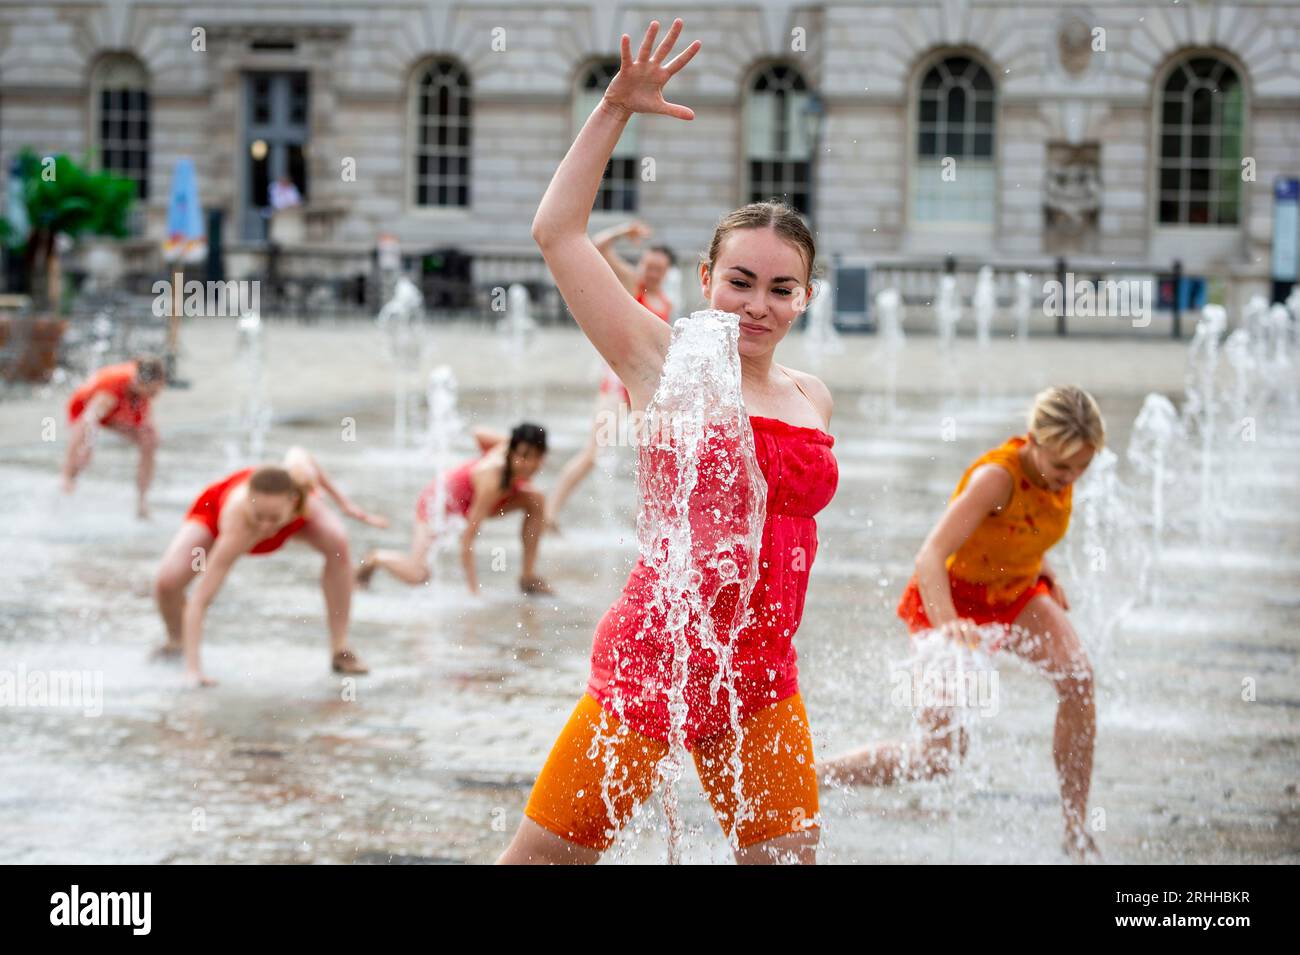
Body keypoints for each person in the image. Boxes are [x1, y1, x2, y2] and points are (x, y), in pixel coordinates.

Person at [499, 19, 839, 865]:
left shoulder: (811, 396)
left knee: (787, 861)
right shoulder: (664, 364)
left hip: (759, 674)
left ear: (804, 296)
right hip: (657, 655)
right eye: (740, 281)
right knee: (545, 862)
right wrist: (615, 106)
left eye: (780, 288)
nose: (757, 304)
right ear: (705, 280)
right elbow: (559, 233)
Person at [819, 385, 1106, 863]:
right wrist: (949, 625)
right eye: (1061, 469)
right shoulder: (997, 478)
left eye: (1082, 468)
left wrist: (1042, 566)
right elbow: (930, 555)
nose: (1069, 479)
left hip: (1014, 594)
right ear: (1034, 440)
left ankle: (1076, 826)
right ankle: (817, 776)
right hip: (949, 600)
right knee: (940, 757)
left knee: (1078, 677)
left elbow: (1025, 528)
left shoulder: (1062, 470)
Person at [153, 446, 388, 687]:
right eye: (259, 517)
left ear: (294, 500)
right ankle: (177, 640)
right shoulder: (238, 526)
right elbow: (200, 599)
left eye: (273, 519)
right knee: (167, 582)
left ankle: (340, 649)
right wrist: (194, 670)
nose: (265, 528)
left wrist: (345, 504)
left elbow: (301, 452)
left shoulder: (301, 482)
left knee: (338, 540)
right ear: (249, 503)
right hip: (213, 513)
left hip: (289, 511)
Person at [545, 221, 675, 532]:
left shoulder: (666, 303)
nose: (652, 272)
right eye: (649, 265)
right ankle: (549, 513)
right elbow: (597, 248)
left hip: (645, 385)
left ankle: (641, 518)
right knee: (596, 451)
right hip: (618, 382)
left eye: (659, 269)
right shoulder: (633, 284)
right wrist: (622, 234)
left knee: (657, 452)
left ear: (667, 272)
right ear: (641, 263)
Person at [356, 423, 553, 596]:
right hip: (440, 503)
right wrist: (473, 590)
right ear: (511, 453)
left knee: (536, 499)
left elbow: (478, 432)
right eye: (524, 456)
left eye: (536, 457)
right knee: (418, 575)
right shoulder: (492, 478)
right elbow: (468, 537)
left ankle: (527, 577)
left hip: (472, 500)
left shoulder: (508, 450)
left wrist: (518, 441)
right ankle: (375, 558)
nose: (529, 464)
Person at [62, 356, 166, 518]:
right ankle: (68, 478)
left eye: (157, 391)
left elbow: (146, 416)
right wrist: (88, 447)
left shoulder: (143, 383)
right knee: (84, 441)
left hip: (119, 406)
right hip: (84, 407)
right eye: (152, 392)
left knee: (150, 440)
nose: (155, 396)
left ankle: (142, 500)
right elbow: (88, 420)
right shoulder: (111, 390)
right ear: (140, 384)